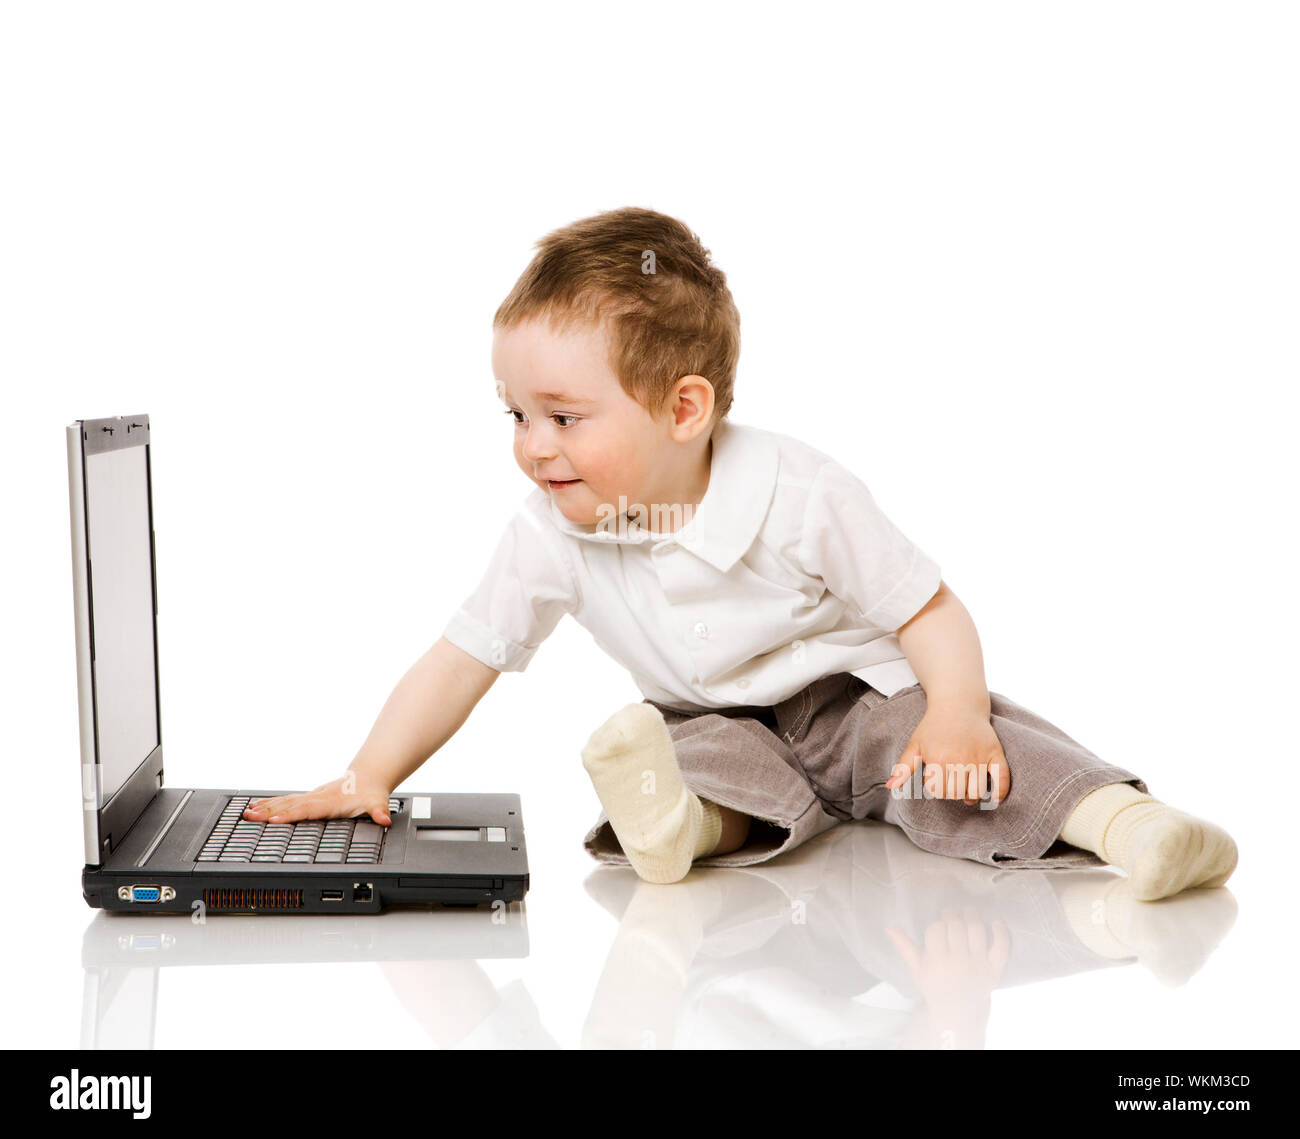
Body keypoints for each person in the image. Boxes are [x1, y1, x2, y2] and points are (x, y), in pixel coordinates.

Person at [244, 206, 1237, 901]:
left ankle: (1130, 827)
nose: (532, 445)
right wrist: (368, 770)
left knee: (951, 762)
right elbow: (461, 655)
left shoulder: (797, 495)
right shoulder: (547, 530)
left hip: (854, 698)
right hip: (715, 716)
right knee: (700, 759)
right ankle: (678, 828)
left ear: (685, 408)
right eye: (515, 414)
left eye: (562, 415)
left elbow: (925, 608)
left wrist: (957, 711)